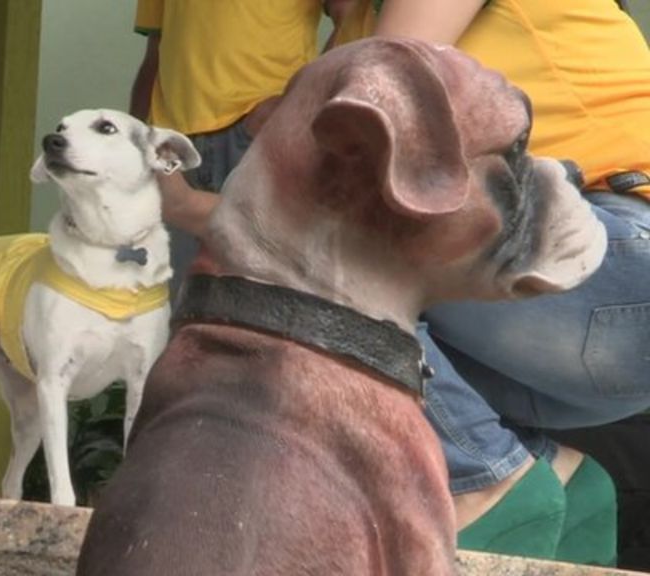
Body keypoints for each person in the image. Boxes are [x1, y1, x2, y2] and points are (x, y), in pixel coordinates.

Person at [132, 0, 650, 567]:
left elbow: (297, 234)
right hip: (567, 315)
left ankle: (478, 482)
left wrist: (185, 205)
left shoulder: (386, 50)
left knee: (322, 285)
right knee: (324, 361)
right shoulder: (354, 36)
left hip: (617, 260)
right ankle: (563, 483)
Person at [129, 0, 324, 298]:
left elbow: (350, 22)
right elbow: (155, 52)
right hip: (171, 145)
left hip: (259, 135)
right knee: (169, 306)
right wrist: (132, 143)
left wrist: (293, 105)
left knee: (264, 304)